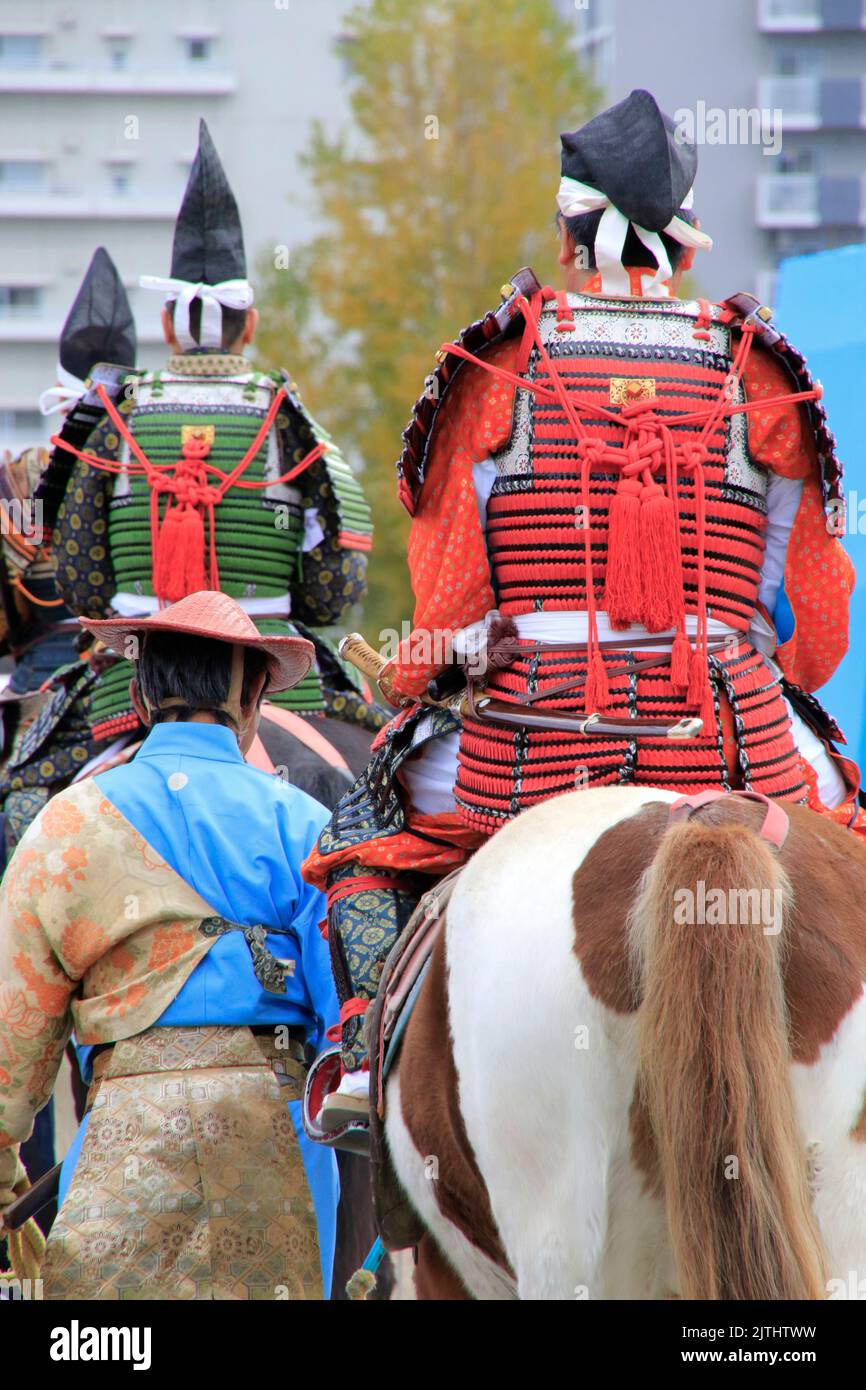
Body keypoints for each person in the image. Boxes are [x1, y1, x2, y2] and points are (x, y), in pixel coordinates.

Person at [303, 89, 861, 1129]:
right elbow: (816, 621)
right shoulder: (764, 375)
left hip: (530, 732)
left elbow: (450, 606)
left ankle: (358, 1051)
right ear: (681, 248)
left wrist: (425, 673)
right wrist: (757, 672)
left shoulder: (495, 360)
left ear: (570, 237)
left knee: (360, 840)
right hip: (727, 728)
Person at [0, 589, 339, 1299]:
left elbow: (12, 1038)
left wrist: (6, 1176)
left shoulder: (65, 827)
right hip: (281, 1143)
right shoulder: (305, 824)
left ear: (143, 695)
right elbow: (346, 1035)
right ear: (250, 699)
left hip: (123, 1140)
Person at [42, 118, 377, 757]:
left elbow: (82, 586)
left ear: (168, 323)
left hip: (138, 678)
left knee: (24, 791)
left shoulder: (116, 418)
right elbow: (335, 591)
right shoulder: (287, 416)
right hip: (273, 683)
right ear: (248, 325)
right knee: (394, 788)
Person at [0, 248, 137, 857]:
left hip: (49, 677)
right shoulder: (148, 466)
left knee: (14, 803)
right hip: (154, 666)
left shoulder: (21, 476)